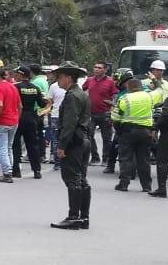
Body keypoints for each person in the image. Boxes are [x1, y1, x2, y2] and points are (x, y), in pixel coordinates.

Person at [50, 61, 92, 230]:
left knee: (72, 179)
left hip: (74, 141)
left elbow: (69, 123)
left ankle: (74, 217)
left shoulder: (72, 96)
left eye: (59, 77)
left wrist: (61, 146)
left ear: (68, 77)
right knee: (81, 179)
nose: (57, 81)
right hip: (83, 139)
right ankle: (83, 217)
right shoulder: (82, 94)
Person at [110, 71, 155, 194]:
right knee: (144, 159)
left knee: (125, 158)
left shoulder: (124, 98)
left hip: (128, 132)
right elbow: (160, 97)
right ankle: (146, 186)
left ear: (129, 87)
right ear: (140, 86)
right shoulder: (149, 96)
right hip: (146, 132)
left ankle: (124, 184)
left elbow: (115, 117)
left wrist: (118, 130)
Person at [10, 66, 47, 179]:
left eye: (16, 74)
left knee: (16, 145)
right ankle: (37, 171)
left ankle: (16, 170)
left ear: (21, 75)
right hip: (32, 118)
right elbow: (42, 104)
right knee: (33, 145)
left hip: (18, 117)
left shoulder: (15, 87)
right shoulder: (35, 88)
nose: (15, 76)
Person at [0, 66, 20, 182]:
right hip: (13, 121)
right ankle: (10, 169)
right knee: (8, 147)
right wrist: (17, 118)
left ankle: (7, 173)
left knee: (2, 148)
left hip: (2, 122)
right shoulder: (13, 87)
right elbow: (20, 106)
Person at [85, 61, 117, 169]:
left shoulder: (110, 82)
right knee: (89, 135)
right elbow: (82, 90)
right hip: (91, 113)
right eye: (95, 67)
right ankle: (94, 157)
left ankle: (106, 159)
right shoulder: (89, 80)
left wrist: (112, 109)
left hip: (105, 114)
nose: (96, 69)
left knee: (106, 138)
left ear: (105, 70)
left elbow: (115, 96)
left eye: (99, 68)